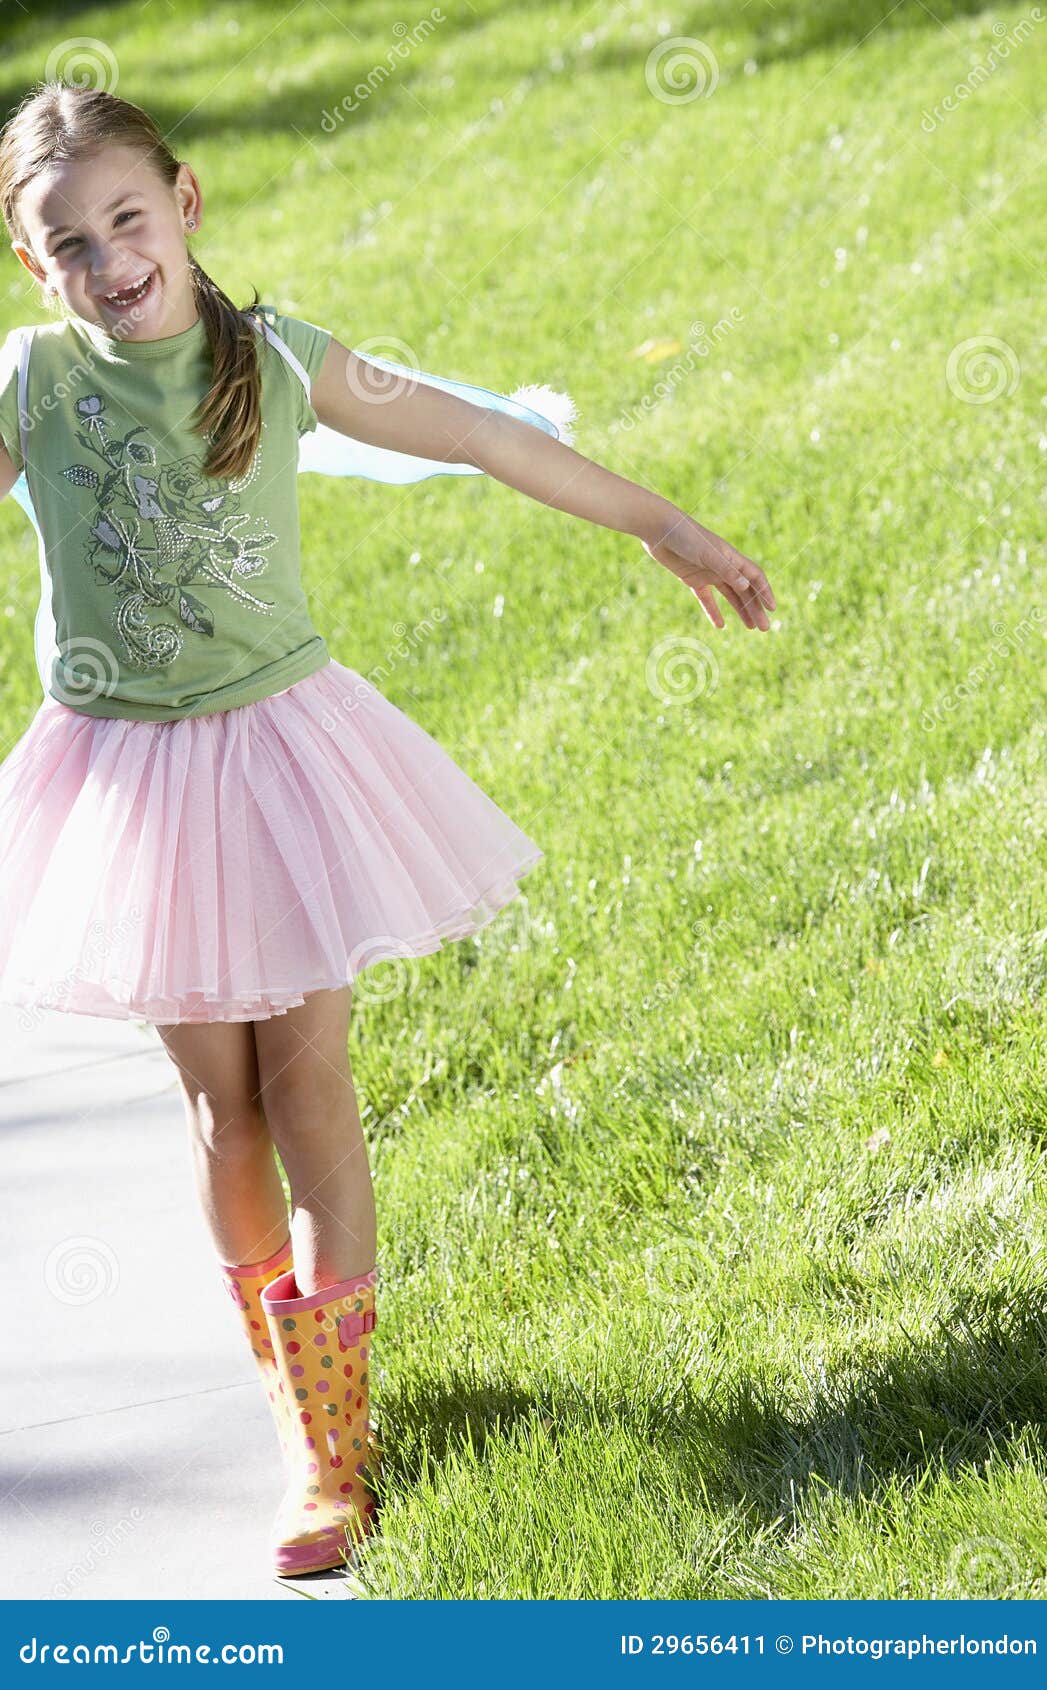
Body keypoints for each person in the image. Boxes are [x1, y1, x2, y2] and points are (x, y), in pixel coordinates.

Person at [0, 81, 776, 1581]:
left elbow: (478, 435)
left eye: (128, 219)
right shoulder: (31, 382)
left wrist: (662, 523)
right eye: (70, 243)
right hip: (133, 787)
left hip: (282, 765)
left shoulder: (277, 359)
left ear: (185, 205)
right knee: (221, 1113)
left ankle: (326, 1445)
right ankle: (287, 1376)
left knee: (309, 1098)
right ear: (32, 264)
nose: (108, 259)